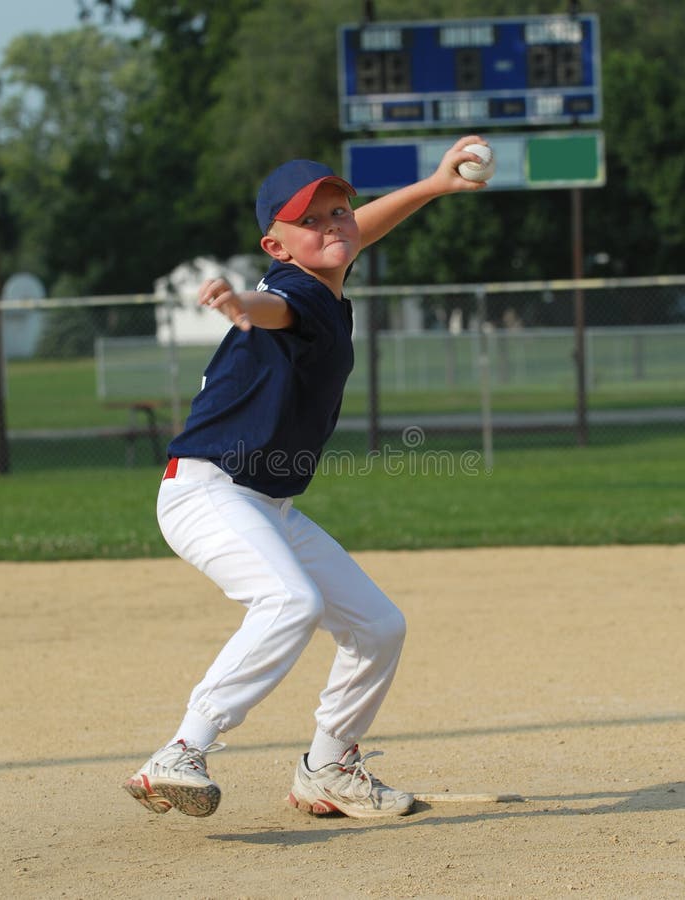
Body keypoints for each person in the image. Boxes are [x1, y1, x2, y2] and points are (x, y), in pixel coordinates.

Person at [123, 136, 488, 820]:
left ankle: (327, 768)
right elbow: (277, 311)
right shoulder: (296, 295)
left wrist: (433, 185)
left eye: (337, 212)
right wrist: (241, 306)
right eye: (309, 220)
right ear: (275, 248)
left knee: (378, 626)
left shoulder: (317, 272)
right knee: (291, 602)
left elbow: (354, 234)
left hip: (265, 503)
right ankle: (181, 750)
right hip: (205, 490)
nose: (332, 225)